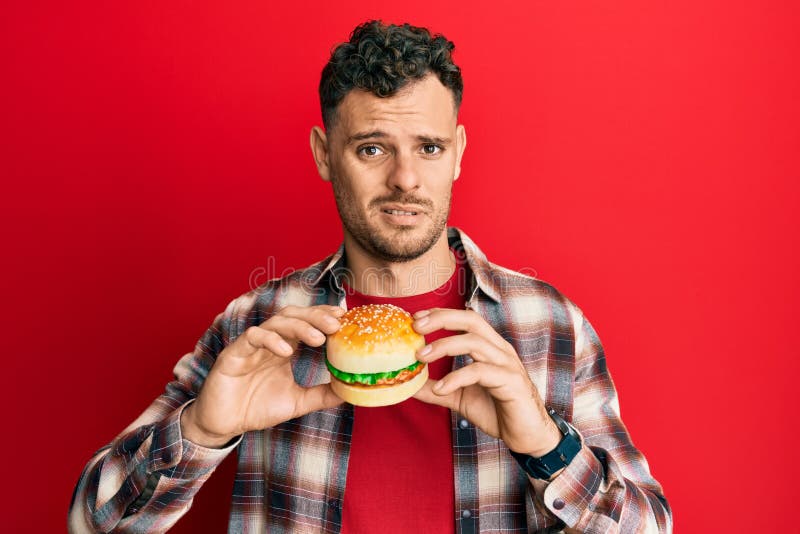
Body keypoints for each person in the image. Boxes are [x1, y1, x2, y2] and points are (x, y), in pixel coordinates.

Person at [69, 20, 672, 533]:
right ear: (323, 154)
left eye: (429, 148)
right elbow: (89, 521)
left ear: (458, 152)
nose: (405, 179)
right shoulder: (256, 325)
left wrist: (546, 446)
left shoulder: (551, 325)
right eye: (372, 149)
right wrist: (201, 429)